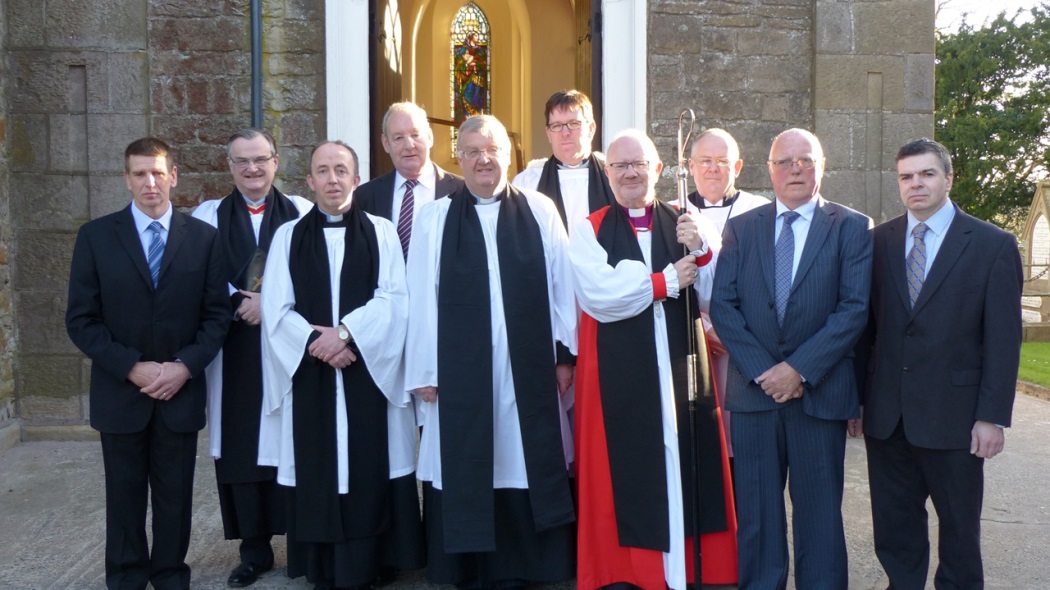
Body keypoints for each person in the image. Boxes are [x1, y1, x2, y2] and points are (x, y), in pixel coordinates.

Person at [404, 115, 577, 590]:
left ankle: (532, 565)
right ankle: (469, 567)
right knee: (467, 459)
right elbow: (419, 295)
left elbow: (564, 287)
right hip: (459, 373)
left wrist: (565, 355)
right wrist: (423, 368)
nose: (484, 159)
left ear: (509, 155)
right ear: (458, 157)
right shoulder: (436, 217)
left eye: (493, 149)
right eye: (473, 150)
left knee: (525, 457)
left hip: (528, 366)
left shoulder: (540, 211)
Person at [570, 128, 736, 590]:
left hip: (681, 363)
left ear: (657, 169)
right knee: (629, 466)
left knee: (684, 453)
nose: (629, 173)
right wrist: (664, 281)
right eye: (620, 165)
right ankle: (629, 570)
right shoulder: (591, 228)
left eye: (638, 163)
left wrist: (702, 250)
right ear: (607, 173)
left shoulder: (684, 219)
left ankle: (688, 568)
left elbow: (719, 295)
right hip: (620, 372)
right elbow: (598, 295)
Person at [710, 128, 872, 589]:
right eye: (785, 161)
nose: (795, 168)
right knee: (758, 516)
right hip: (754, 396)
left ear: (822, 166)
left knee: (820, 515)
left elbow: (853, 308)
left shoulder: (851, 227)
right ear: (770, 170)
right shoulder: (742, 227)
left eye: (806, 160)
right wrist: (767, 373)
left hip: (818, 395)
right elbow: (724, 305)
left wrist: (799, 370)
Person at [66, 137, 230, 590]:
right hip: (122, 392)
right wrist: (132, 367)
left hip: (180, 391)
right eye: (140, 173)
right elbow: (81, 320)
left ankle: (171, 576)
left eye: (158, 172)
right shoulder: (96, 237)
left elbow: (217, 317)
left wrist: (183, 367)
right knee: (124, 497)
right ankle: (125, 578)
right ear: (127, 179)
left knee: (175, 498)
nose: (150, 182)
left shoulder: (203, 239)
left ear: (174, 176)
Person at [861, 138, 1022, 589]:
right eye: (906, 176)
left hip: (956, 419)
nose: (916, 184)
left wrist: (992, 417)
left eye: (927, 174)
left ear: (948, 178)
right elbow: (865, 330)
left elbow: (1004, 340)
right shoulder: (878, 243)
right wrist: (858, 402)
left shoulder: (993, 245)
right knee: (894, 531)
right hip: (888, 417)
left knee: (959, 533)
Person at [258, 141, 420, 590]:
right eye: (323, 171)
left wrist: (345, 333)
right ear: (309, 182)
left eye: (341, 170)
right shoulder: (289, 236)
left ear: (356, 178)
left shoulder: (381, 231)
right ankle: (323, 565)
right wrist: (317, 341)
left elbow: (394, 298)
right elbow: (276, 307)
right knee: (319, 465)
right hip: (311, 371)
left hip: (365, 370)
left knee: (372, 462)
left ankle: (376, 561)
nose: (333, 179)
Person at [192, 129, 313, 588]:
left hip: (288, 345)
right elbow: (196, 277)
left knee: (294, 441)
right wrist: (237, 303)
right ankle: (254, 550)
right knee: (243, 446)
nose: (252, 169)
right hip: (233, 348)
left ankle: (303, 544)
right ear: (229, 166)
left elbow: (314, 273)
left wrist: (270, 303)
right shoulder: (206, 217)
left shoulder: (302, 212)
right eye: (241, 161)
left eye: (260, 159)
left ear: (276, 161)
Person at [512, 90, 618, 459]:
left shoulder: (614, 173)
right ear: (547, 132)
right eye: (557, 126)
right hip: (549, 310)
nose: (566, 134)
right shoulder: (527, 182)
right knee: (554, 417)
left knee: (600, 409)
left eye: (574, 124)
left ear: (591, 126)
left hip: (603, 310)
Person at [686, 128, 770, 465]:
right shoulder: (673, 212)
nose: (713, 169)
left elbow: (765, 281)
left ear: (737, 167)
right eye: (705, 161)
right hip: (693, 341)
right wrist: (704, 328)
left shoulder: (761, 211)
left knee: (742, 445)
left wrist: (730, 330)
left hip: (745, 344)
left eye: (722, 161)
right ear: (691, 166)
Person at [353, 101, 465, 259]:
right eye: (398, 138)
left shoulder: (461, 191)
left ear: (430, 137)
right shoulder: (364, 197)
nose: (409, 145)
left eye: (415, 135)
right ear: (386, 143)